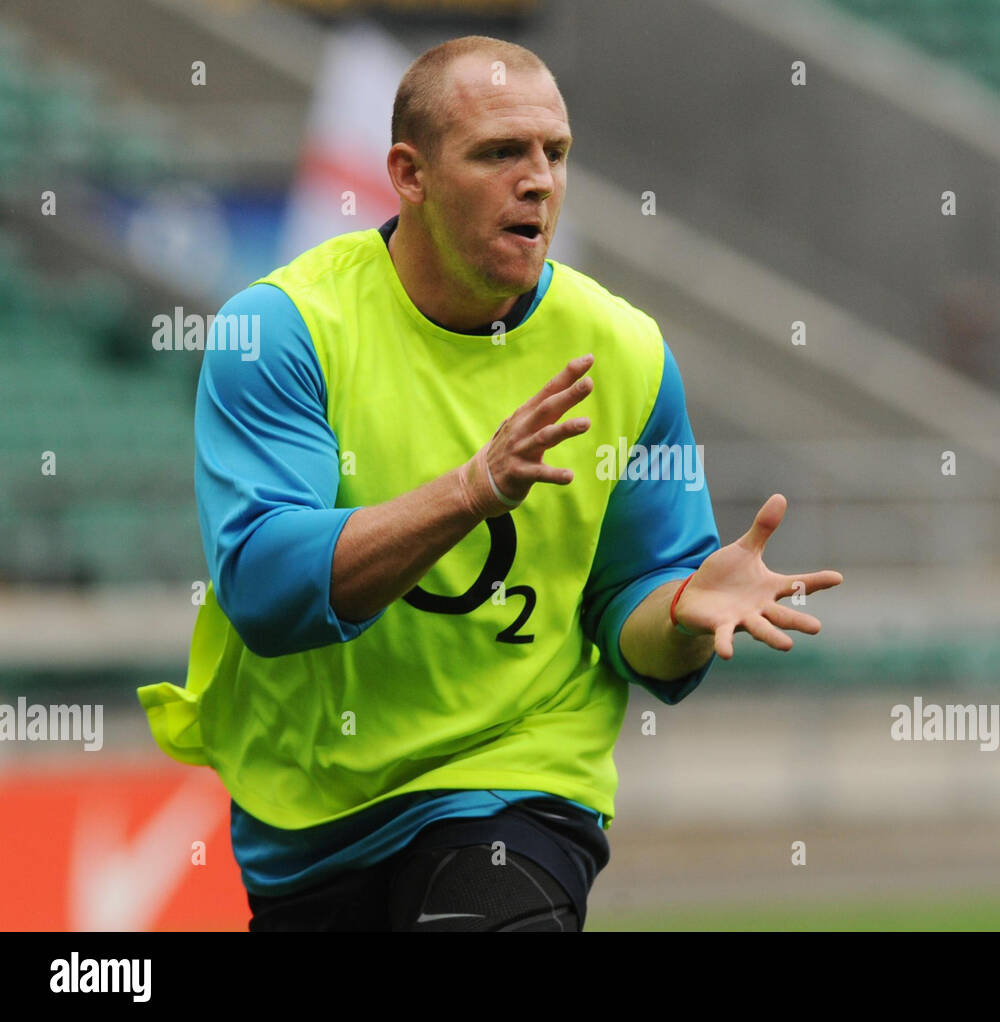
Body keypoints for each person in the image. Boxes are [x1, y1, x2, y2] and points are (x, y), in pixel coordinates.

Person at [138, 34, 842, 932]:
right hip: (310, 807)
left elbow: (632, 610)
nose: (539, 179)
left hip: (517, 776)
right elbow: (267, 590)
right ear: (410, 172)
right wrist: (469, 492)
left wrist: (682, 617)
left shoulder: (625, 351)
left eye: (555, 152)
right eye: (501, 152)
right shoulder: (283, 331)